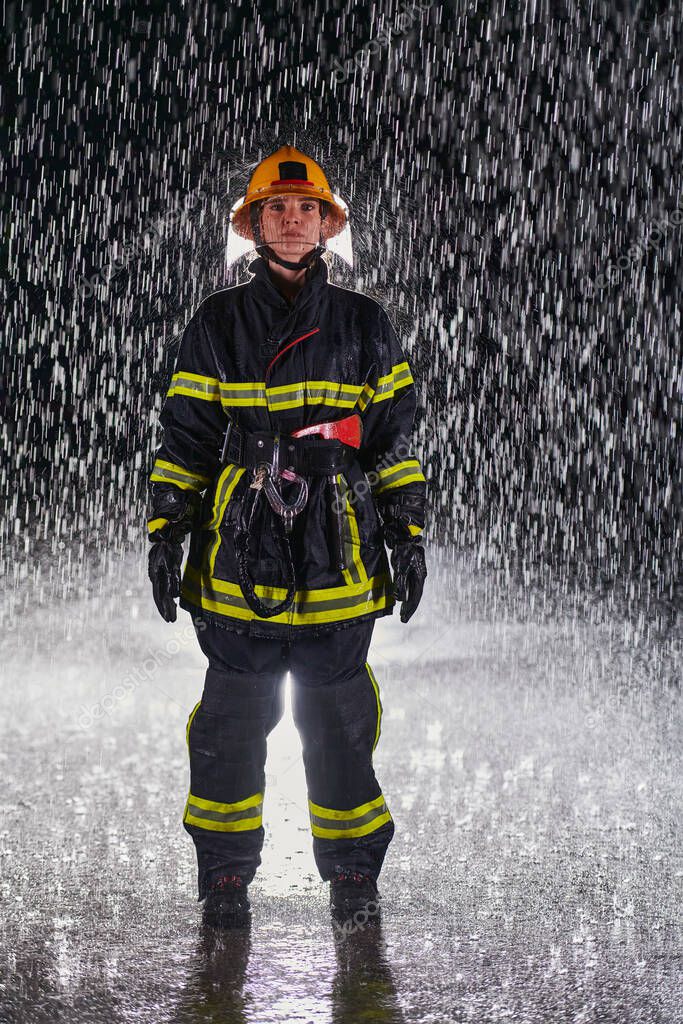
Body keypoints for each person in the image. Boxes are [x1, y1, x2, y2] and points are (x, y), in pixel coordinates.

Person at [147, 145, 428, 928]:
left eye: (306, 210)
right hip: (238, 554)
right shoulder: (217, 322)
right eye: (277, 209)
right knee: (231, 725)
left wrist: (407, 535)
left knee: (339, 725)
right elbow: (186, 437)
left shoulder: (364, 323)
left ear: (328, 225)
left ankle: (351, 876)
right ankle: (226, 879)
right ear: (255, 225)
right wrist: (166, 530)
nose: (293, 220)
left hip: (336, 549)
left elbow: (392, 444)